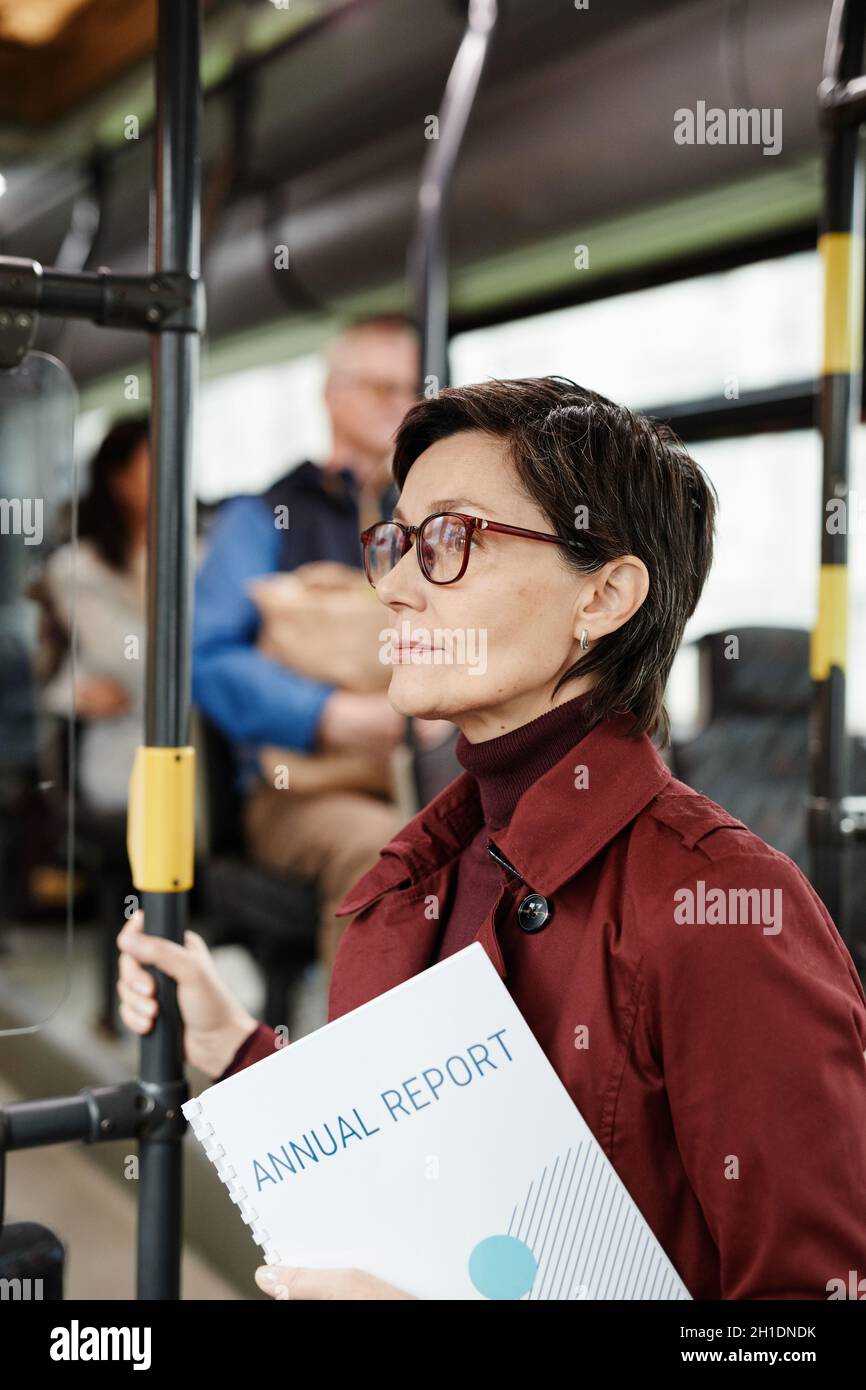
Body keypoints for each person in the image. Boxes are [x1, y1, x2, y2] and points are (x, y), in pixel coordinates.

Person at [117, 376, 866, 1302]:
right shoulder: (430, 868)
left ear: (604, 596)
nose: (391, 588)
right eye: (395, 542)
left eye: (451, 541)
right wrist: (236, 1044)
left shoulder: (721, 910)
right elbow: (426, 1160)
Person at [192, 313, 447, 974]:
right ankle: (362, 1067)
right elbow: (207, 660)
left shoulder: (432, 524)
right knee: (386, 848)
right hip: (297, 791)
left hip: (421, 772)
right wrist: (327, 716)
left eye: (412, 388)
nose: (401, 405)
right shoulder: (259, 518)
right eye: (379, 388)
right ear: (331, 395)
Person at [38, 416, 149, 813]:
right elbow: (126, 658)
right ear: (118, 480)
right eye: (154, 464)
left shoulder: (199, 551)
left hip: (210, 751)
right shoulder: (77, 569)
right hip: (123, 756)